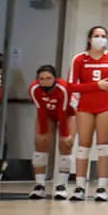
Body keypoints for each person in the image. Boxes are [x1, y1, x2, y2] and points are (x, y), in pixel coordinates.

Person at [67, 25, 108, 203]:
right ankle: (80, 186)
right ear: (89, 39)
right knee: (83, 146)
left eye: (103, 36)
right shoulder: (79, 59)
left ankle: (102, 187)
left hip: (106, 106)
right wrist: (96, 86)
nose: (100, 39)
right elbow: (71, 85)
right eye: (96, 35)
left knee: (103, 146)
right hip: (85, 107)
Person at [28, 64, 74, 199]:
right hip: (47, 114)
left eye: (49, 78)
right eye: (41, 78)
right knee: (40, 143)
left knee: (65, 144)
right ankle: (39, 185)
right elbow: (40, 110)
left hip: (67, 114)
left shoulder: (63, 88)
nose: (45, 81)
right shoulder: (34, 89)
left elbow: (63, 111)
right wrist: (42, 131)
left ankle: (61, 185)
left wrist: (65, 134)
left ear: (55, 78)